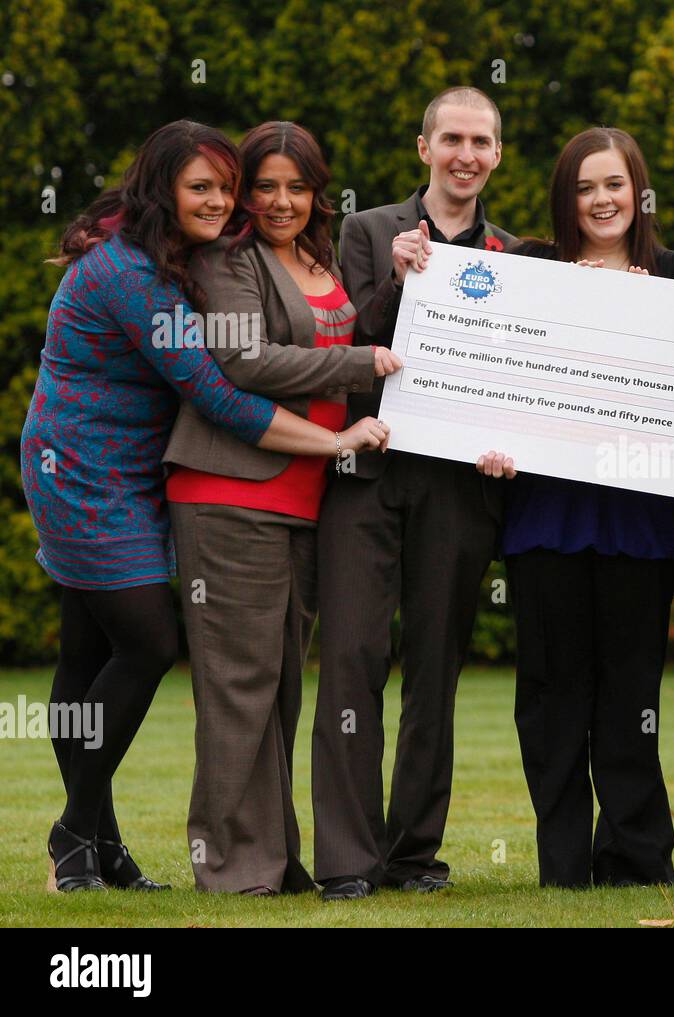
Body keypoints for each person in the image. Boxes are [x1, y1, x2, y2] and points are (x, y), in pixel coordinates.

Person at [19, 120, 390, 894]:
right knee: (150, 639)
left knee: (84, 656)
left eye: (227, 187)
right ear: (163, 189)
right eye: (202, 187)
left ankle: (98, 846)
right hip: (82, 469)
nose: (222, 201)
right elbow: (220, 389)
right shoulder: (128, 273)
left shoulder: (171, 255)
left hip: (140, 465)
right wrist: (334, 443)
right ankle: (74, 831)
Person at [162, 122, 402, 895]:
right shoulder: (226, 259)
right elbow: (244, 359)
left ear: (316, 192)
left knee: (279, 690)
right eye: (263, 185)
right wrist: (359, 361)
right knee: (238, 689)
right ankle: (231, 869)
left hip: (305, 503)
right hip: (231, 496)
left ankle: (271, 857)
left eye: (296, 186)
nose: (279, 201)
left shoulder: (320, 259)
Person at [475, 127, 674, 887]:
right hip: (548, 514)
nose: (601, 200)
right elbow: (479, 364)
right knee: (550, 693)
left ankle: (638, 857)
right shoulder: (529, 270)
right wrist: (488, 437)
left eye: (614, 184)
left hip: (642, 519)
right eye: (584, 187)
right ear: (563, 197)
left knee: (630, 695)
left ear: (638, 190)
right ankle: (563, 862)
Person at [311, 87, 515, 901]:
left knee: (436, 667)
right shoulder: (366, 232)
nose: (467, 153)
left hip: (461, 486)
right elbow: (350, 343)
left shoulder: (513, 252)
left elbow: (528, 376)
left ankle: (413, 854)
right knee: (354, 657)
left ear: (498, 155)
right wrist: (400, 280)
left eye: (483, 141)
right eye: (453, 138)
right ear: (423, 146)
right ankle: (347, 860)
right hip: (367, 472)